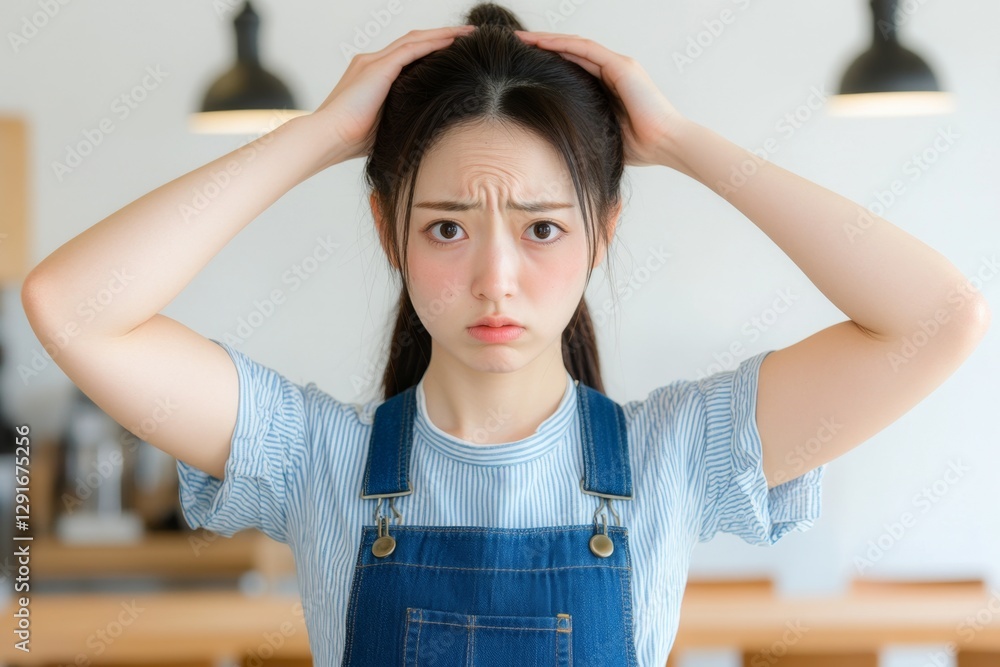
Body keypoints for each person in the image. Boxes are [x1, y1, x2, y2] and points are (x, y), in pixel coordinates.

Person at [20, 2, 990, 665]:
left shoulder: (678, 452)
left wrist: (686, 143)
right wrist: (319, 133)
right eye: (445, 225)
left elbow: (937, 319)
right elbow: (73, 305)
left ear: (603, 229)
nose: (495, 278)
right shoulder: (314, 456)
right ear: (386, 231)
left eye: (542, 227)